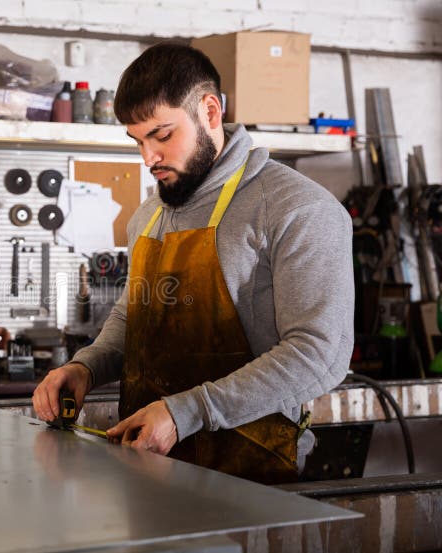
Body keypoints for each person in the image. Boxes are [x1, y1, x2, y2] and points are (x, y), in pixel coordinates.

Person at [32, 41, 354, 484]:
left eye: (162, 135)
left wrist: (187, 412)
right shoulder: (150, 214)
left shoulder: (298, 209)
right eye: (138, 141)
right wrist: (85, 366)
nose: (148, 158)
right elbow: (135, 314)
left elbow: (318, 356)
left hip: (254, 480)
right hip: (148, 471)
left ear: (210, 112)